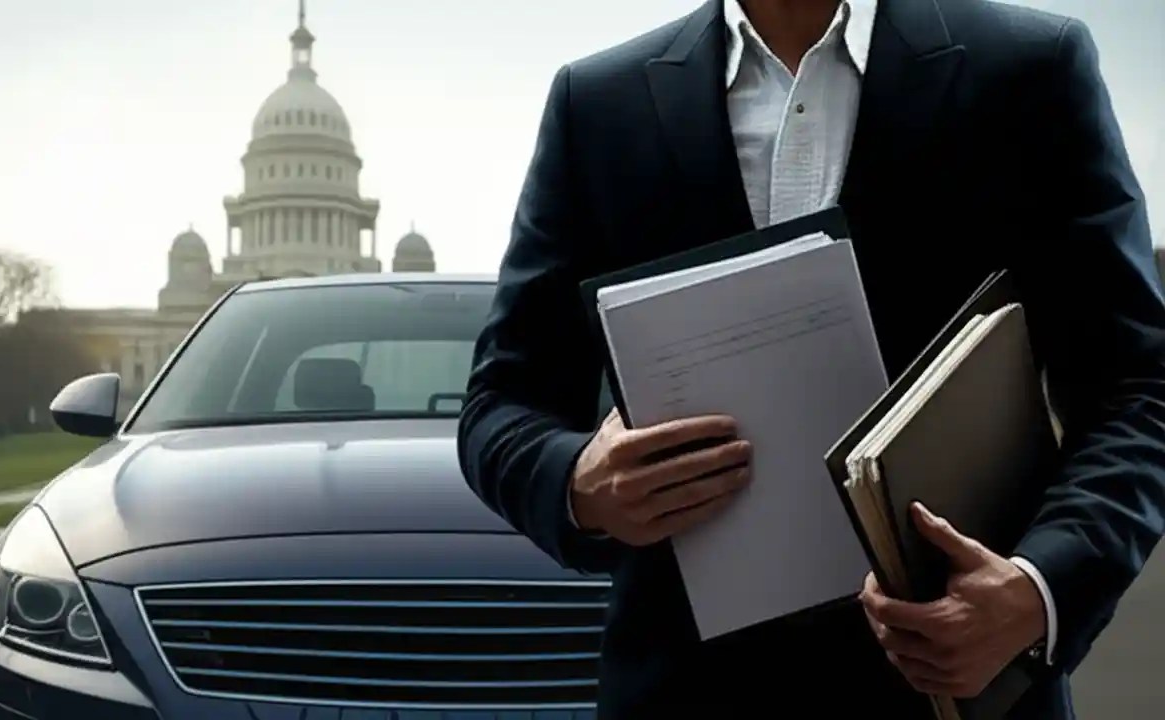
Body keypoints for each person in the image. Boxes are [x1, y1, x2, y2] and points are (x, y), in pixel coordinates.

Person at [457, 0, 1165, 716]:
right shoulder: (597, 105)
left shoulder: (1032, 69)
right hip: (682, 691)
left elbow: (1140, 387)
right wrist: (580, 483)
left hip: (955, 690)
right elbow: (500, 404)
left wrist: (1035, 589)